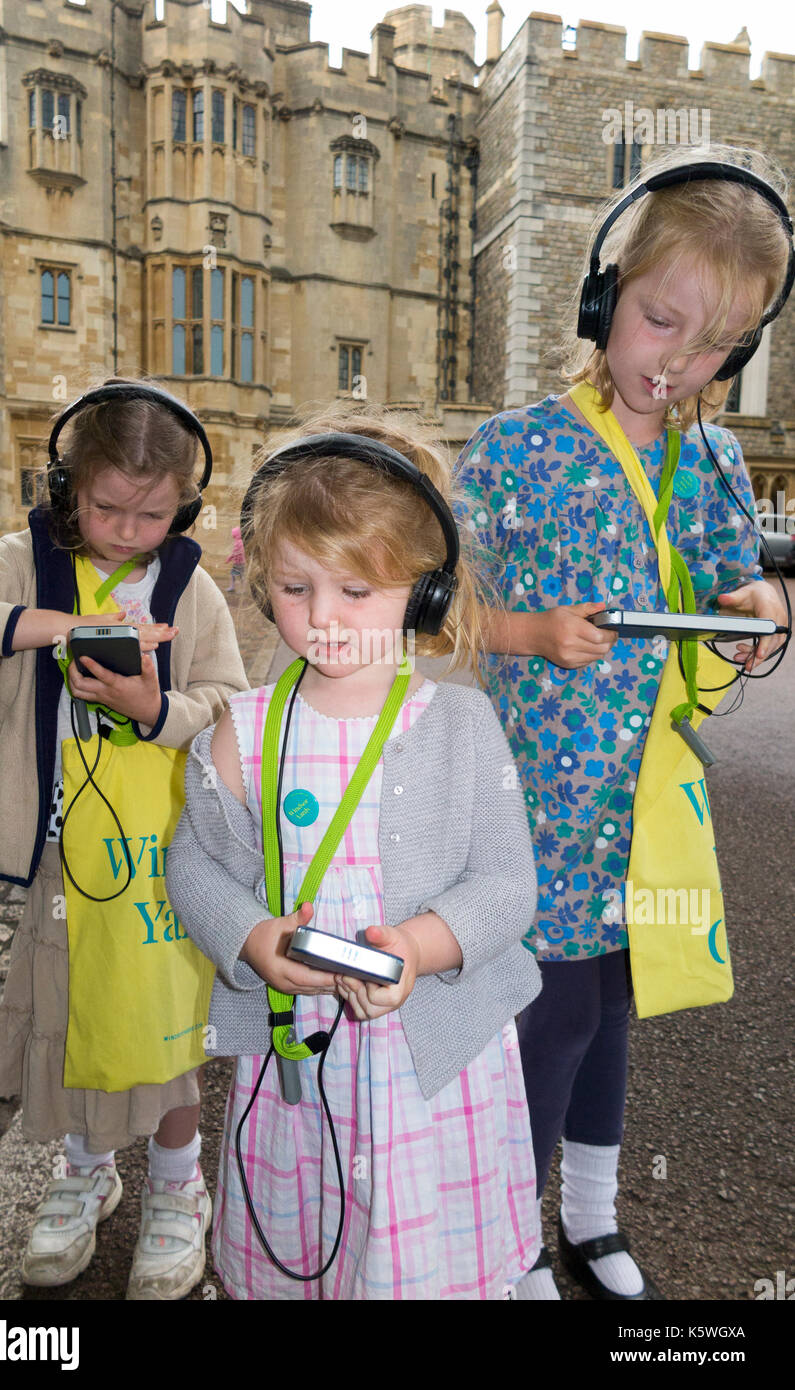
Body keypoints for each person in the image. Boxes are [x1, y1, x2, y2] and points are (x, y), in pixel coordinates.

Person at [454, 146, 791, 1300]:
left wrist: (760, 607)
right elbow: (434, 609)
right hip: (534, 802)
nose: (681, 365)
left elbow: (732, 577)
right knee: (545, 1023)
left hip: (645, 805)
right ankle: (507, 1238)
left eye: (718, 348)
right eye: (660, 323)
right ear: (603, 296)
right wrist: (530, 633)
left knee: (613, 1011)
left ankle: (590, 1218)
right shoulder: (512, 451)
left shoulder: (714, 456)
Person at [165, 404, 542, 1299]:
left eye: (355, 592)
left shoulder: (458, 723)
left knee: (421, 1265)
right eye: (296, 590)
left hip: (429, 1066)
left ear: (424, 592)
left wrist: (418, 945)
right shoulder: (241, 731)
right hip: (302, 1065)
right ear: (261, 586)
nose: (322, 619)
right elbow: (193, 863)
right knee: (314, 1248)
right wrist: (252, 938)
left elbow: (508, 885)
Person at [0, 377, 248, 1299]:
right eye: (107, 507)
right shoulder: (29, 559)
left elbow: (230, 708)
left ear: (183, 503)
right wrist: (58, 626)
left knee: (165, 1028)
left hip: (163, 863)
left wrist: (158, 709)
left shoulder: (192, 590)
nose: (128, 530)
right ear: (68, 488)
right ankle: (85, 1170)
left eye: (153, 514)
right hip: (65, 857)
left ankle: (179, 1191)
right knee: (72, 1017)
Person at [225, 524, 245, 592]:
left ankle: (236, 587)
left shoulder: (238, 543)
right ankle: (234, 587)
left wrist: (229, 559)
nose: (232, 535)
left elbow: (235, 552)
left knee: (237, 575)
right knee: (239, 575)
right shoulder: (241, 542)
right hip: (241, 562)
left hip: (238, 563)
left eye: (233, 533)